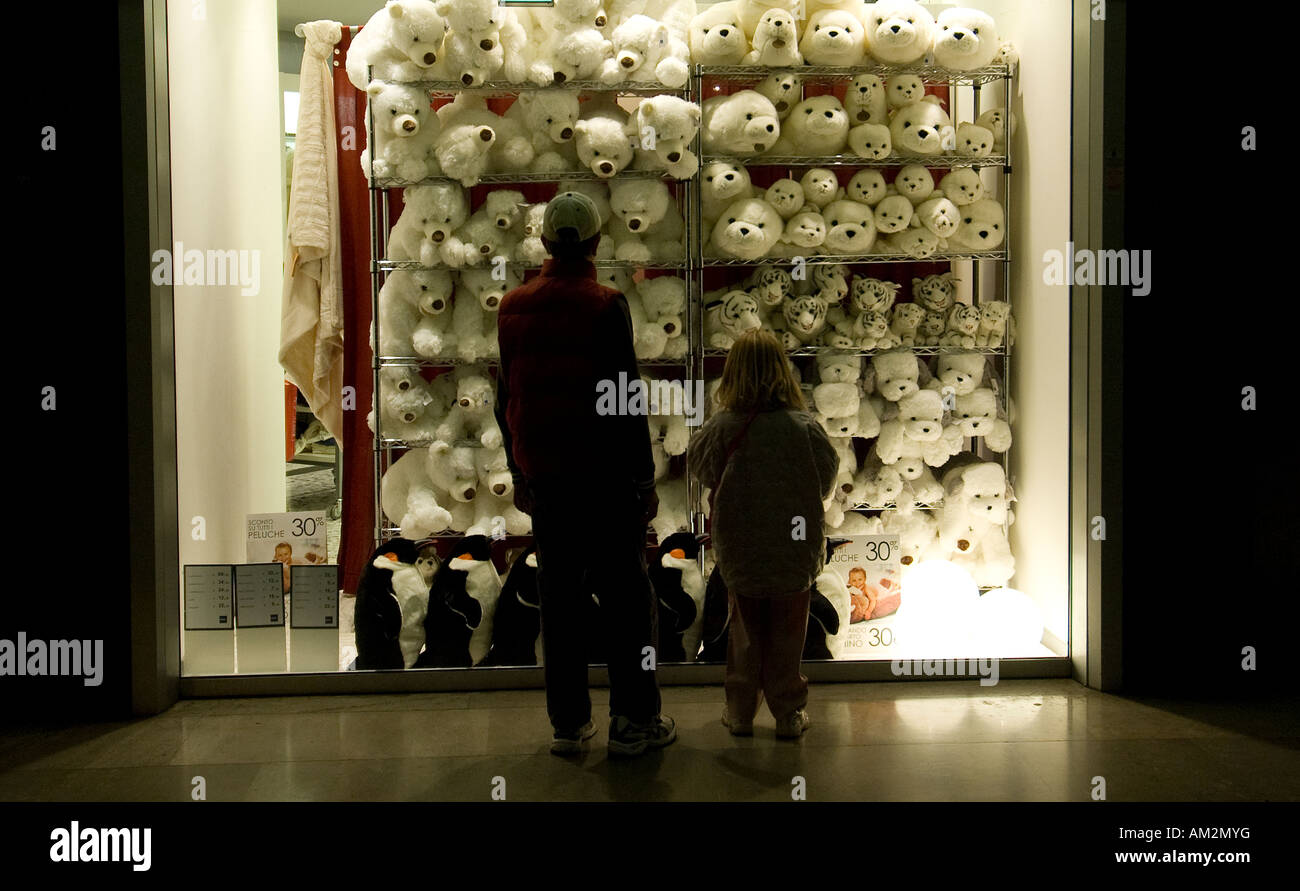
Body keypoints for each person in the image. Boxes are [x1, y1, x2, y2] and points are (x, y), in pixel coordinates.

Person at [494, 191, 676, 757]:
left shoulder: (513, 306)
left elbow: (507, 398)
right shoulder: (605, 305)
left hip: (546, 478)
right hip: (604, 479)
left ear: (545, 241)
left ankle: (568, 723)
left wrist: (517, 469)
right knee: (625, 601)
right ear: (596, 242)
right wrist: (644, 481)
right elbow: (623, 399)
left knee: (561, 600)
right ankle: (634, 720)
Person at [688, 329, 838, 739]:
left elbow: (701, 469)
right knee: (790, 630)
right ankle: (788, 713)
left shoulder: (723, 426)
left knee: (745, 630)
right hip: (795, 546)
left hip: (741, 545)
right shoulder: (804, 426)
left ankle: (739, 712)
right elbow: (825, 479)